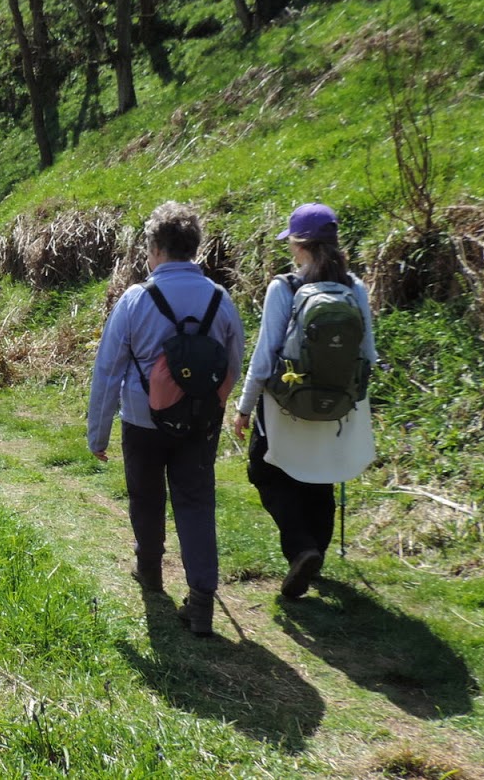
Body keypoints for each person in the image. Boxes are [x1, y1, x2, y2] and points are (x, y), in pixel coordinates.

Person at [87, 202, 245, 637]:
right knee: (196, 502)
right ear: (193, 247)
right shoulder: (220, 298)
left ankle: (150, 571)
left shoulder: (136, 299)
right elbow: (234, 362)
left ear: (156, 247)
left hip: (142, 420)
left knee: (146, 495)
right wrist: (212, 407)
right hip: (200, 424)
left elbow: (108, 370)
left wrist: (97, 432)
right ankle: (200, 601)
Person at [232, 202, 377, 601]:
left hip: (285, 405)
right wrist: (347, 397)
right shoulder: (355, 288)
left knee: (265, 472)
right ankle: (316, 553)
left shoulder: (285, 287)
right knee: (322, 477)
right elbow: (369, 354)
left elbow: (264, 357)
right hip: (339, 406)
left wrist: (244, 408)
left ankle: (301, 549)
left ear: (299, 245)